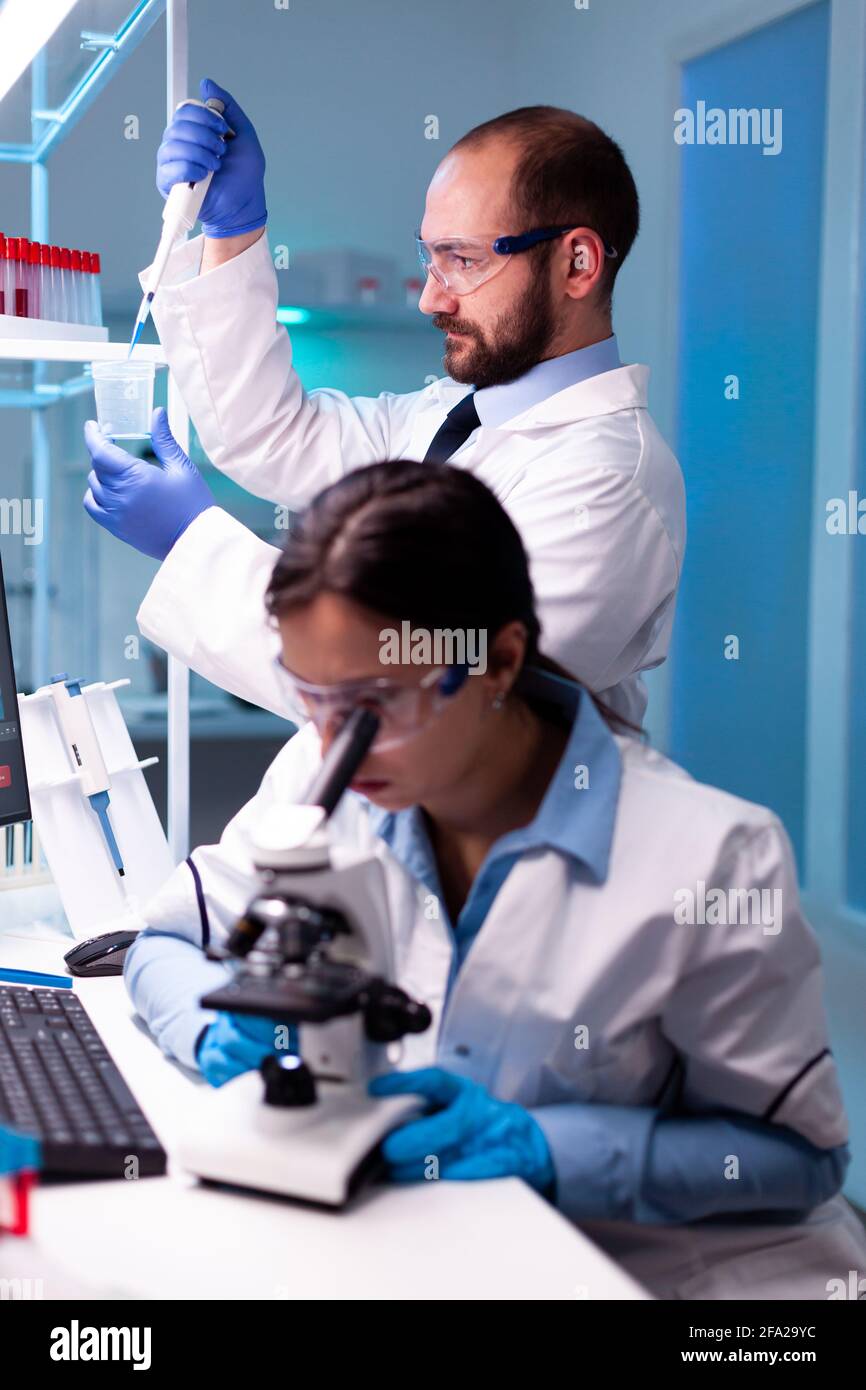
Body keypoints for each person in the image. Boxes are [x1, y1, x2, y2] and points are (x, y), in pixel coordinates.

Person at [124, 459, 866, 1301]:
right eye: (313, 698)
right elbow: (164, 941)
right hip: (434, 1256)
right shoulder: (321, 775)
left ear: (499, 660)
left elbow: (800, 1156)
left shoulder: (712, 855)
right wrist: (212, 1034)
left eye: (374, 705)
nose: (336, 747)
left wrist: (552, 1149)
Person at [83, 81, 684, 728]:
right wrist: (232, 232)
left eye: (463, 259)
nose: (431, 298)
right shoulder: (453, 418)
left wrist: (193, 545)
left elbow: (436, 687)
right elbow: (276, 437)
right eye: (431, 258)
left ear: (578, 263)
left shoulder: (608, 481)